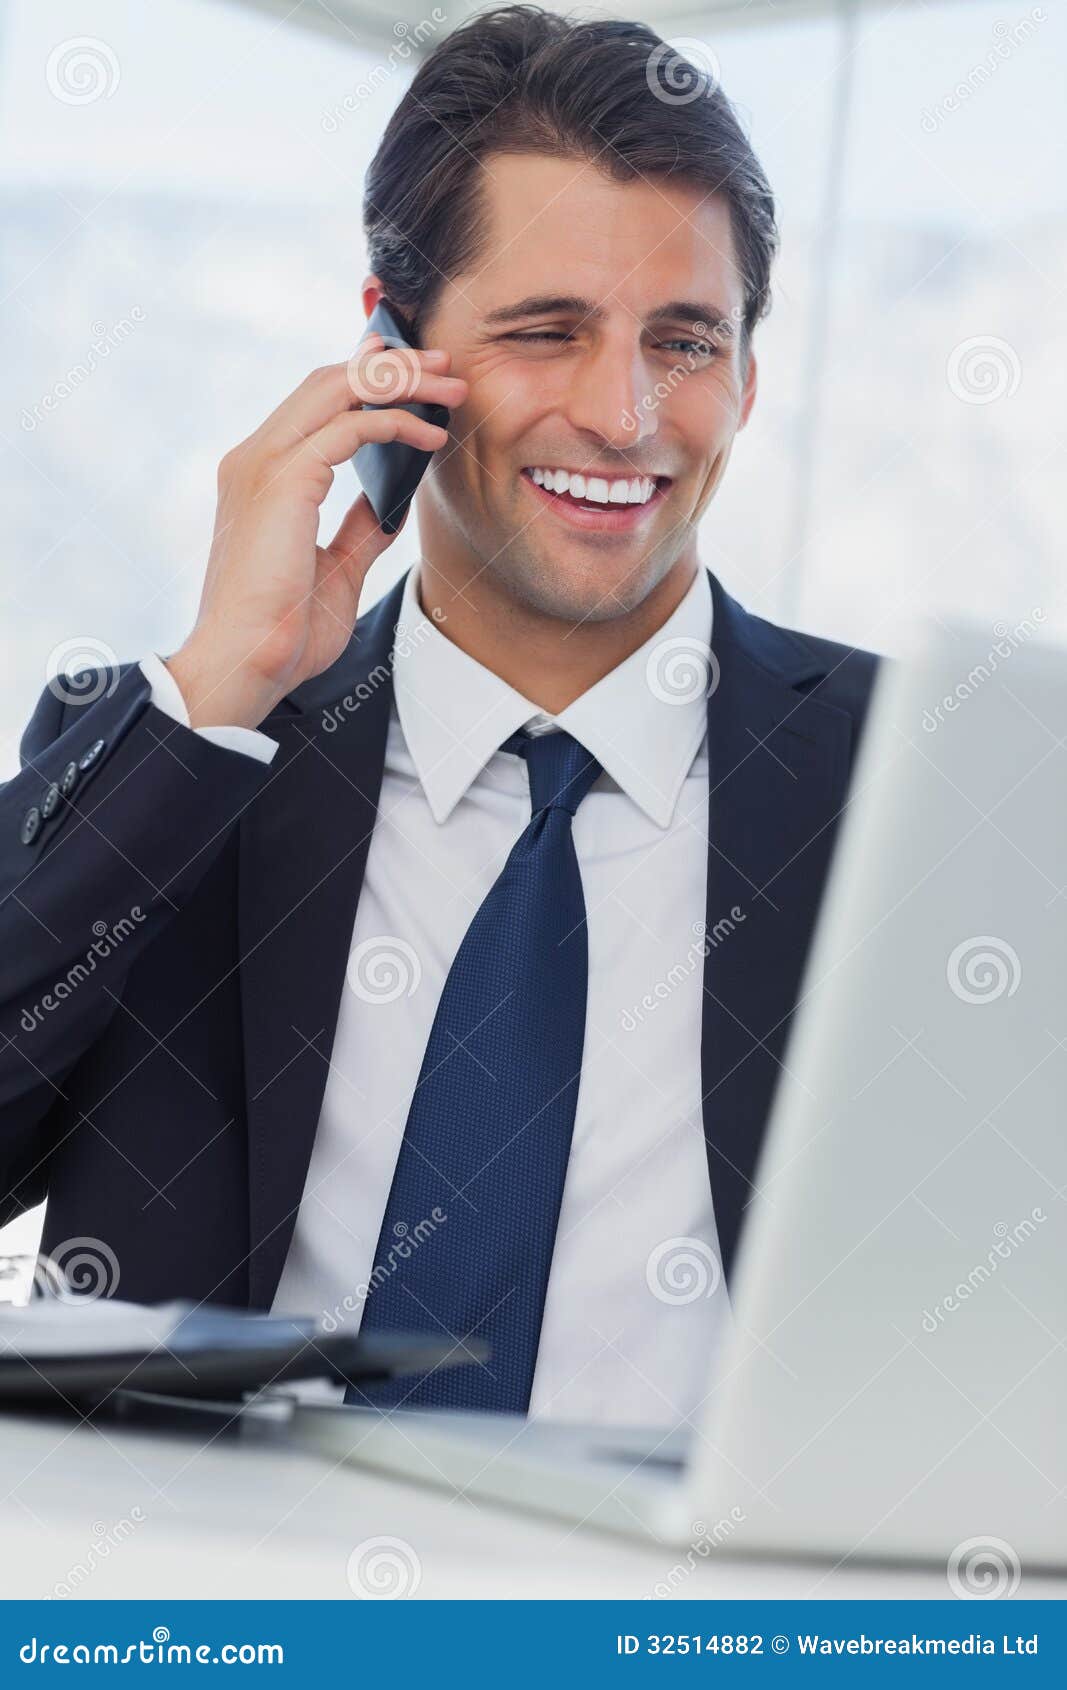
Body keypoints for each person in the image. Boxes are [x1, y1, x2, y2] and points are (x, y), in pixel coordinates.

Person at [0, 6, 877, 1426]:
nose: (626, 411)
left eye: (686, 339)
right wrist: (220, 691)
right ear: (393, 354)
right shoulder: (186, 758)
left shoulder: (925, 785)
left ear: (750, 379)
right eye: (548, 332)